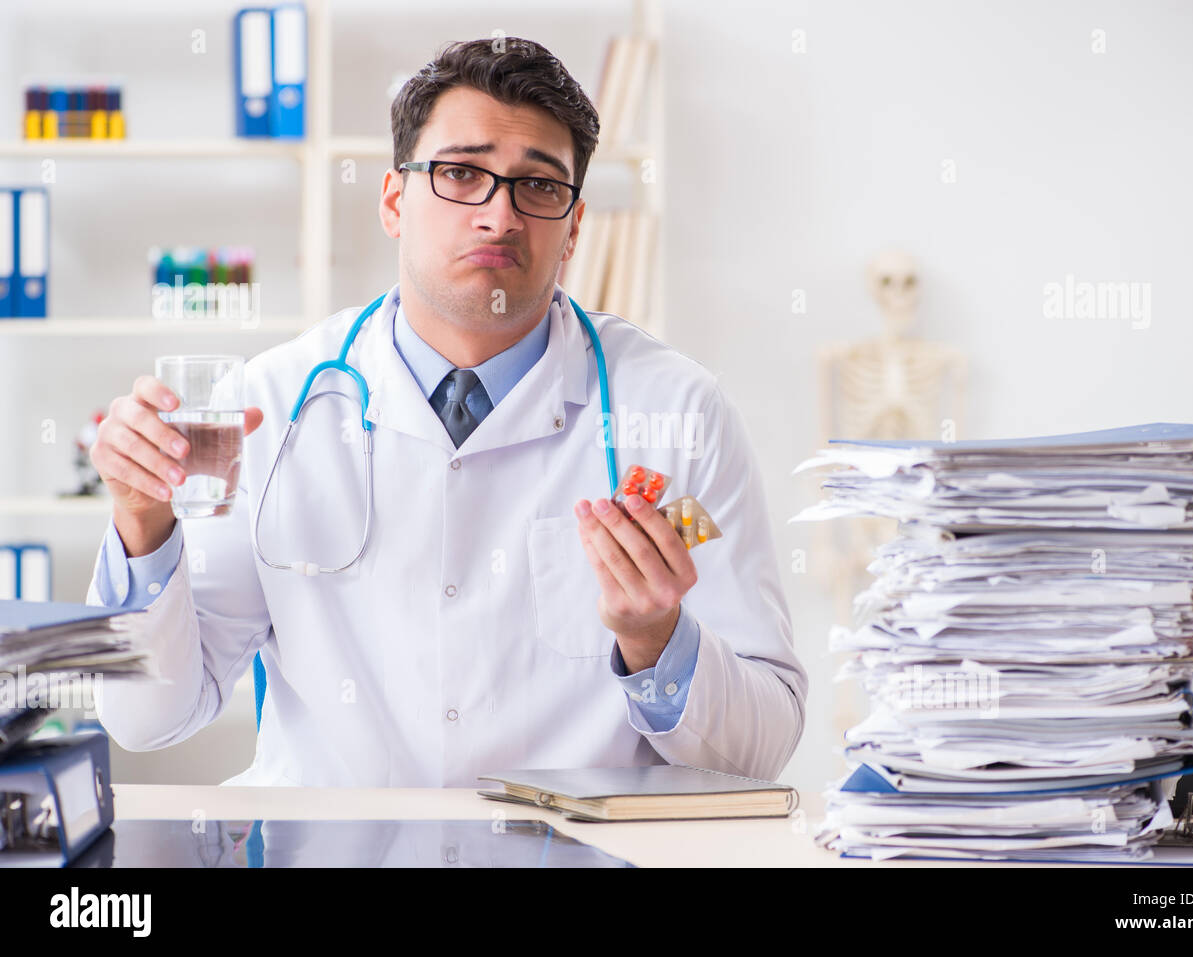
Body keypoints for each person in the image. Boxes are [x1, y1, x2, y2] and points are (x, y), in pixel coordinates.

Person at [86, 37, 806, 786]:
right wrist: (143, 526)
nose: (500, 215)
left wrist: (660, 641)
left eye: (539, 186)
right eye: (461, 173)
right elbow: (148, 718)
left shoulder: (676, 412)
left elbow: (762, 746)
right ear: (395, 201)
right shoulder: (272, 407)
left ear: (574, 228)